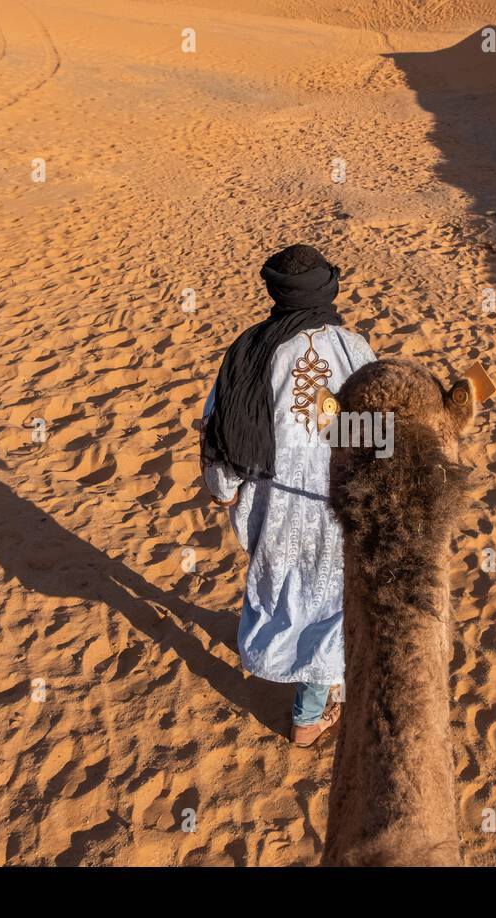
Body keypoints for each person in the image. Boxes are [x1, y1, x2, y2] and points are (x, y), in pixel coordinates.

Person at [199, 244, 375, 746]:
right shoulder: (354, 350)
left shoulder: (250, 349)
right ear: (328, 288)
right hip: (337, 500)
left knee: (289, 586)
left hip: (270, 502)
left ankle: (310, 698)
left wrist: (224, 490)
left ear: (275, 289)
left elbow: (219, 430)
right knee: (330, 599)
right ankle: (308, 716)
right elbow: (380, 432)